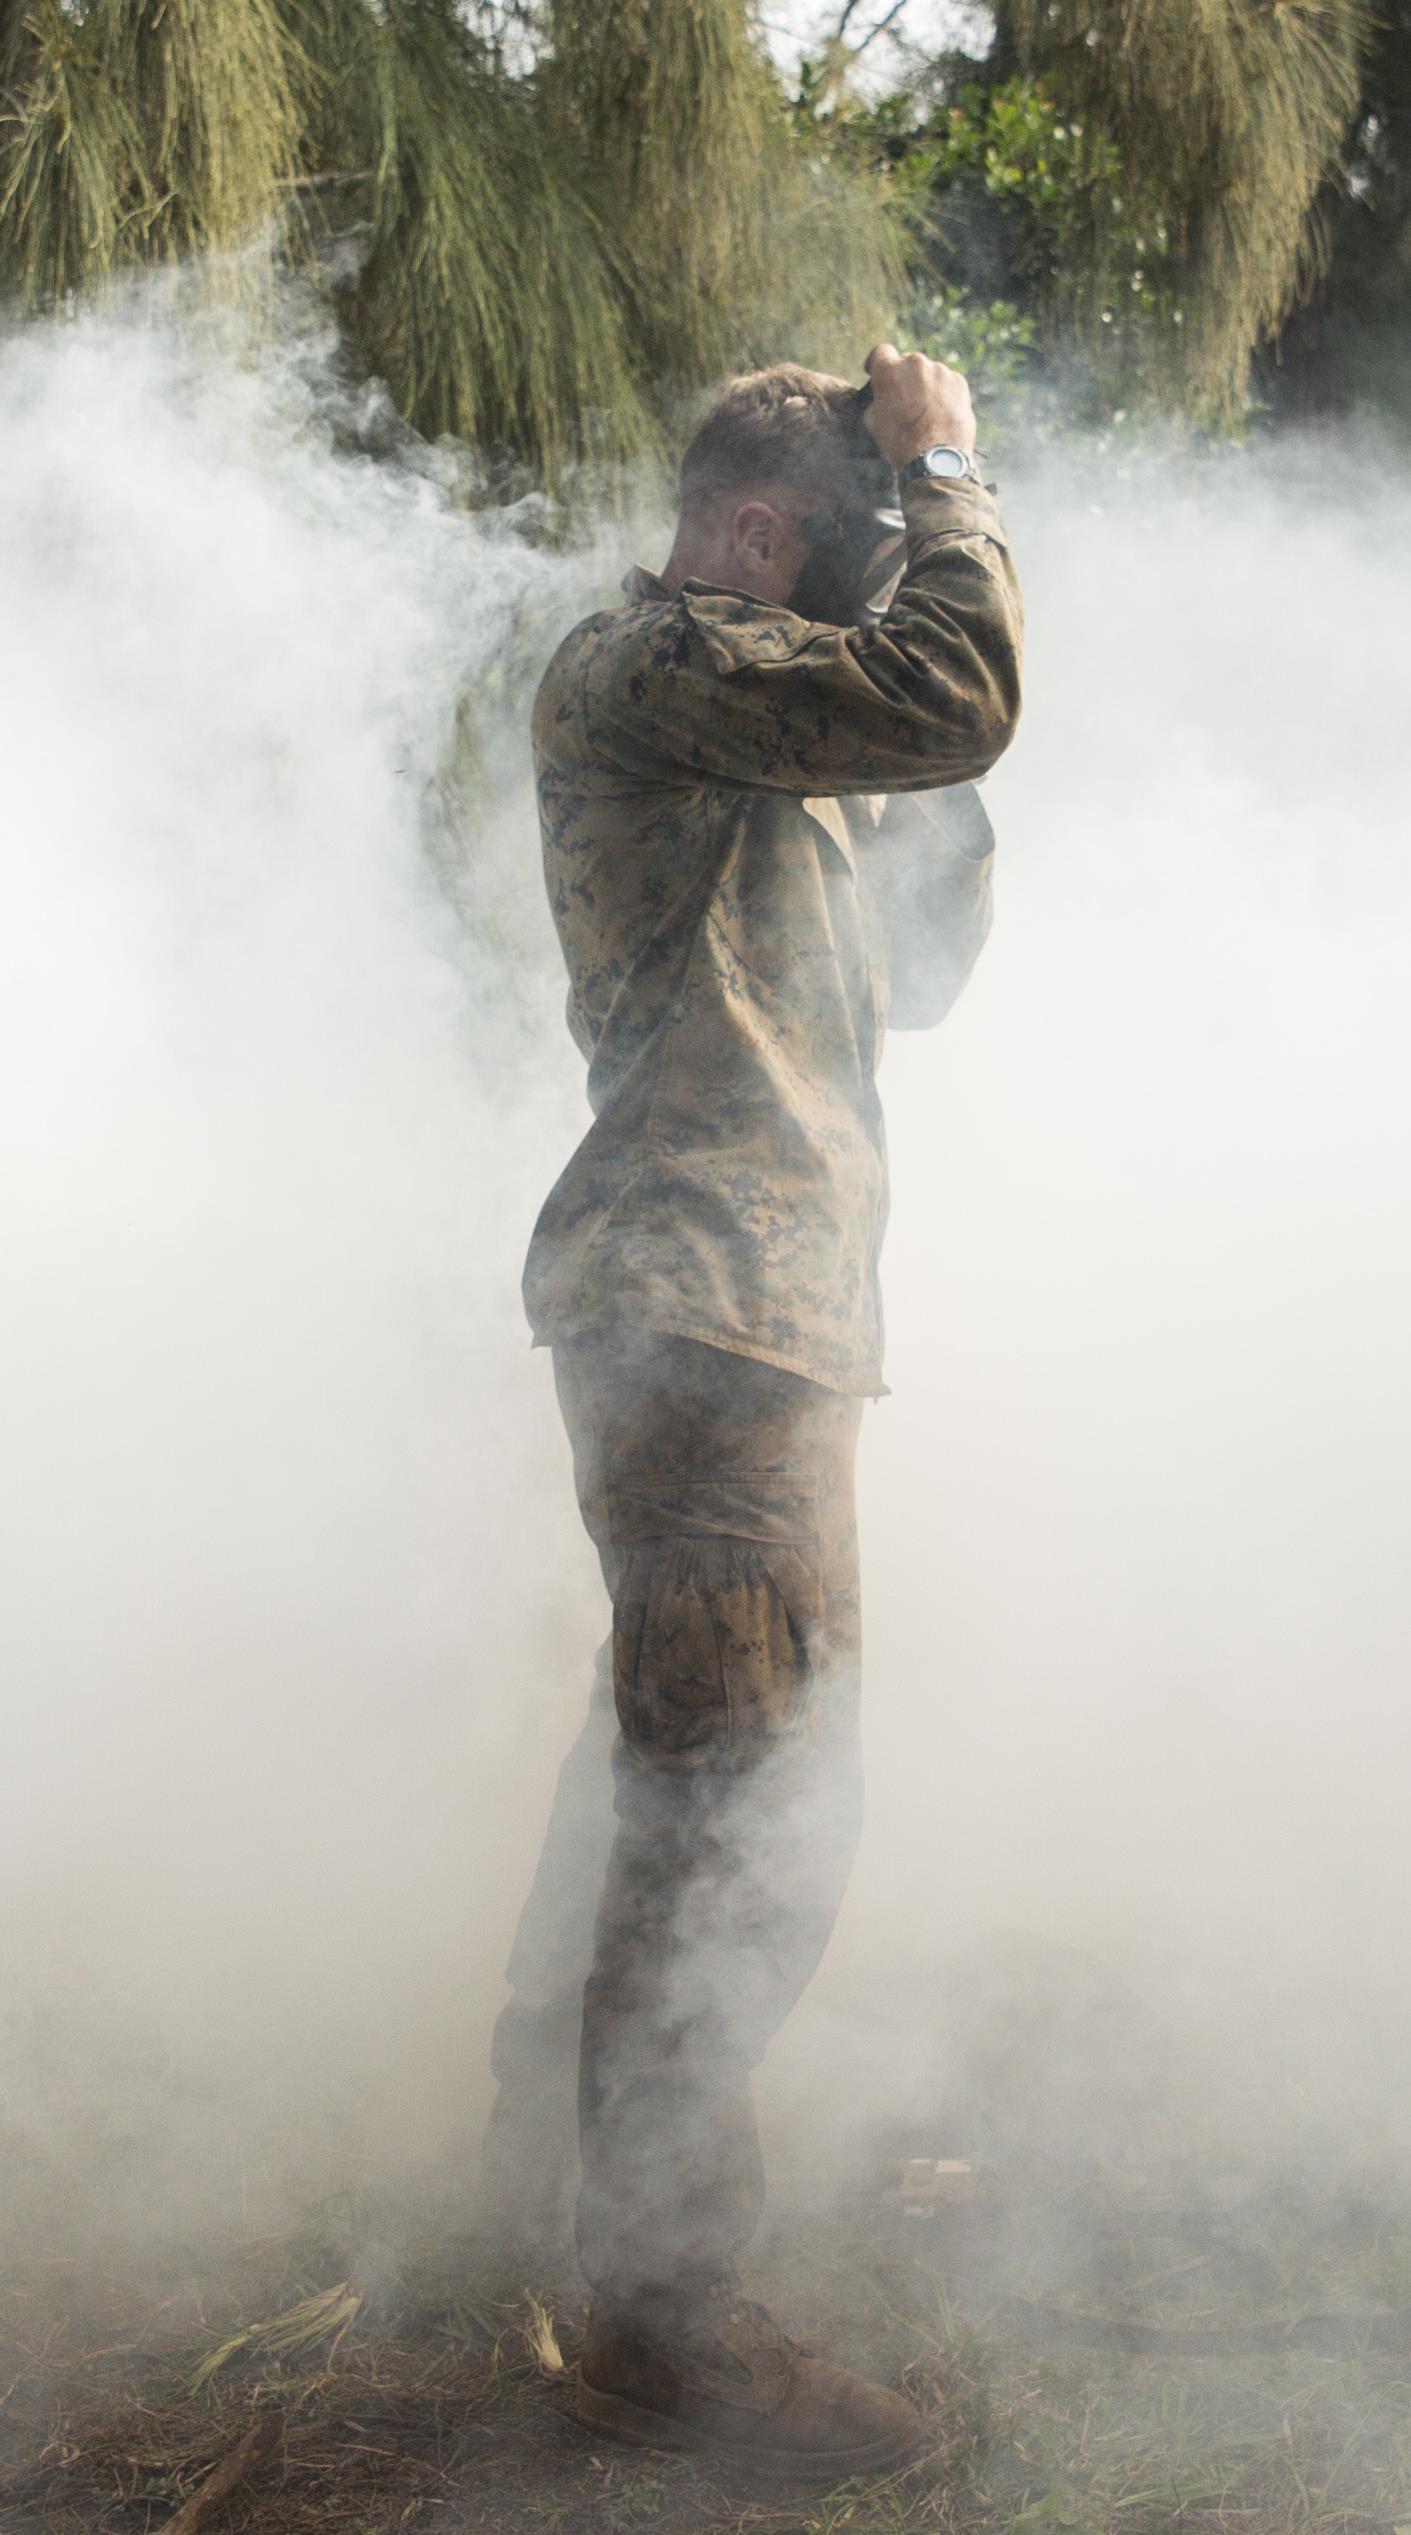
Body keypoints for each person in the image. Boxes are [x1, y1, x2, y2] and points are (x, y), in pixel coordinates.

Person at [482, 344, 1018, 2485]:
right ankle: (657, 2320)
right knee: (749, 1813)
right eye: (860, 558)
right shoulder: (646, 661)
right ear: (773, 538)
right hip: (703, 1305)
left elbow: (940, 937)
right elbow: (957, 686)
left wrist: (931, 700)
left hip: (751, 1313)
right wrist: (954, 480)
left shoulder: (752, 725)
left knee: (678, 1764)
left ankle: (558, 2206)